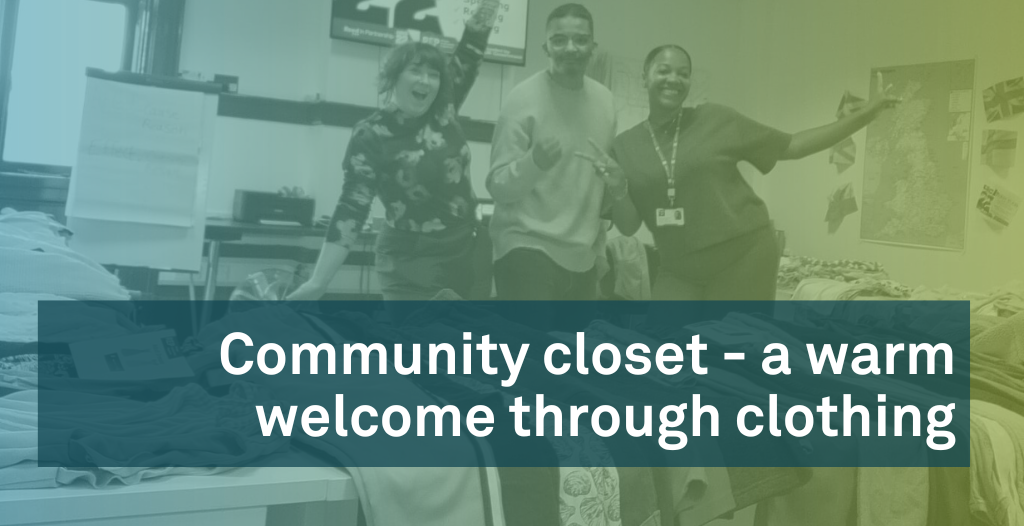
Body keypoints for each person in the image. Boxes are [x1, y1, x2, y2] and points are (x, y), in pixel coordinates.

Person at [578, 44, 899, 301]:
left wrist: (865, 116)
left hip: (743, 256)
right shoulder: (624, 145)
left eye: (683, 73)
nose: (673, 79)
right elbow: (629, 225)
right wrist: (618, 188)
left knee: (731, 355)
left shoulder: (716, 120)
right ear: (644, 77)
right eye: (663, 70)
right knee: (664, 351)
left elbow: (793, 146)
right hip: (678, 266)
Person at [287, 0, 500, 302]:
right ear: (394, 77)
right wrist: (318, 282)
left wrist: (489, 7)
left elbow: (471, 48)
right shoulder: (371, 134)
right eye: (416, 71)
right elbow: (352, 208)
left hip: (465, 252)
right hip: (410, 260)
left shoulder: (444, 109)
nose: (426, 81)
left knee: (467, 346)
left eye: (434, 74)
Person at [486, 3, 624, 302]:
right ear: (546, 47)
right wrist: (533, 163)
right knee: (533, 349)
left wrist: (598, 251)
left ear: (592, 47)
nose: (570, 48)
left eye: (580, 40)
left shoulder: (606, 102)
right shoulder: (521, 99)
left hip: (581, 257)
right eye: (559, 40)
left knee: (573, 350)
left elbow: (597, 187)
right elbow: (497, 186)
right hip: (525, 246)